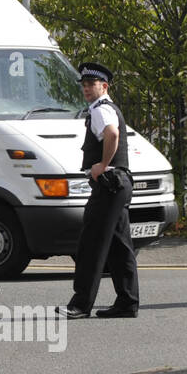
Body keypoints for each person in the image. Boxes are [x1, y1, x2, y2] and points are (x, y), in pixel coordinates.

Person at [58, 62, 138, 319]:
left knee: (91, 244)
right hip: (119, 184)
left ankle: (80, 304)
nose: (86, 89)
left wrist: (102, 165)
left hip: (109, 184)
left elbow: (112, 134)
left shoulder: (102, 109)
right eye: (83, 85)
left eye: (91, 84)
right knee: (119, 245)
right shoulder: (104, 108)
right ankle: (127, 302)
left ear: (104, 86)